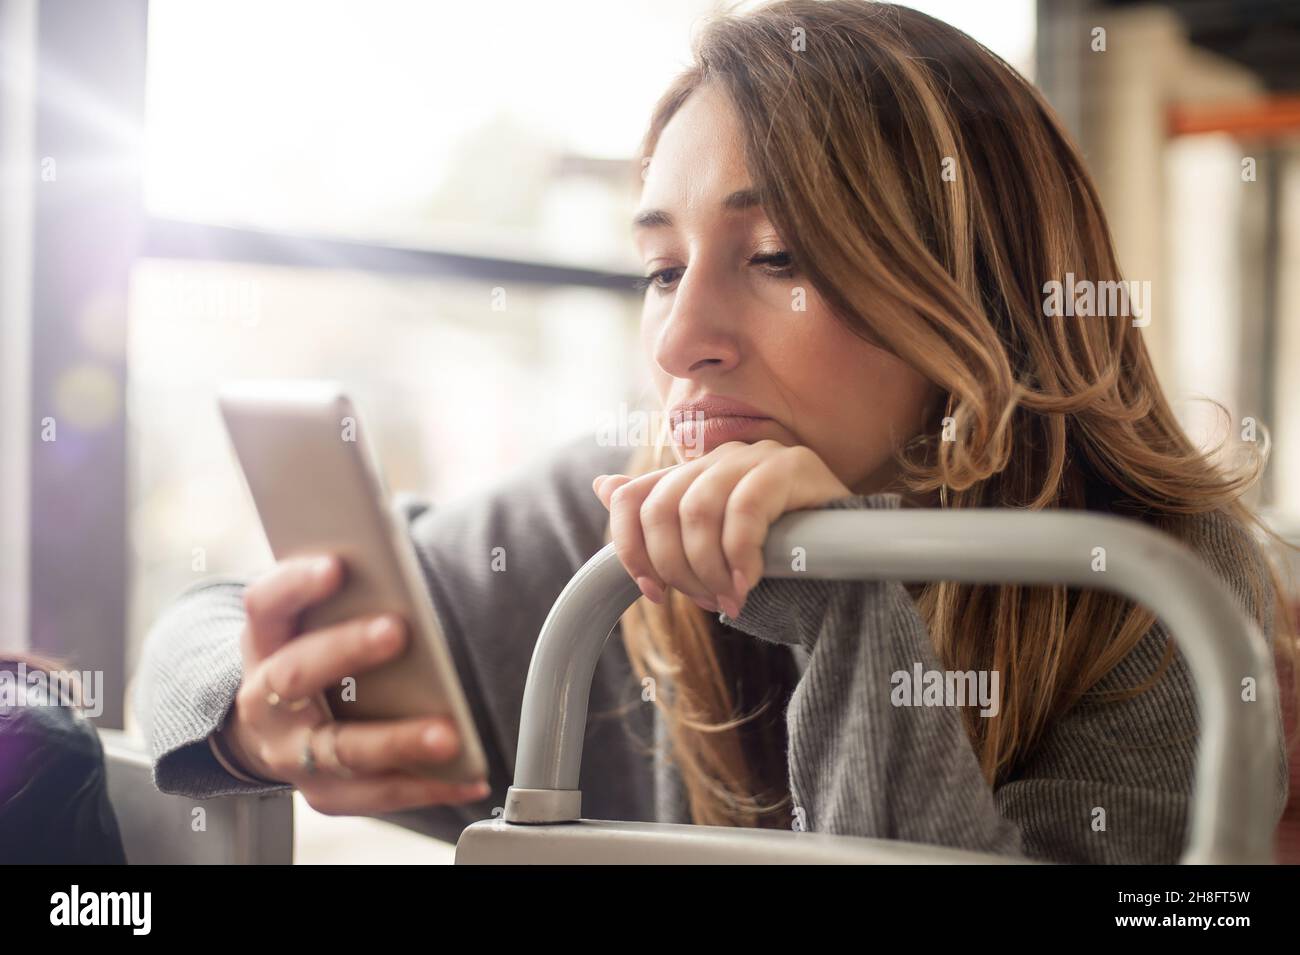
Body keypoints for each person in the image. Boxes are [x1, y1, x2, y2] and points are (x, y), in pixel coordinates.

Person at [132, 0, 1294, 862]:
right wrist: (252, 705)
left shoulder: (1162, 595)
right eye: (656, 268)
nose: (681, 337)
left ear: (983, 292)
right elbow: (209, 617)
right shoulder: (603, 522)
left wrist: (842, 605)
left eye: (776, 258)